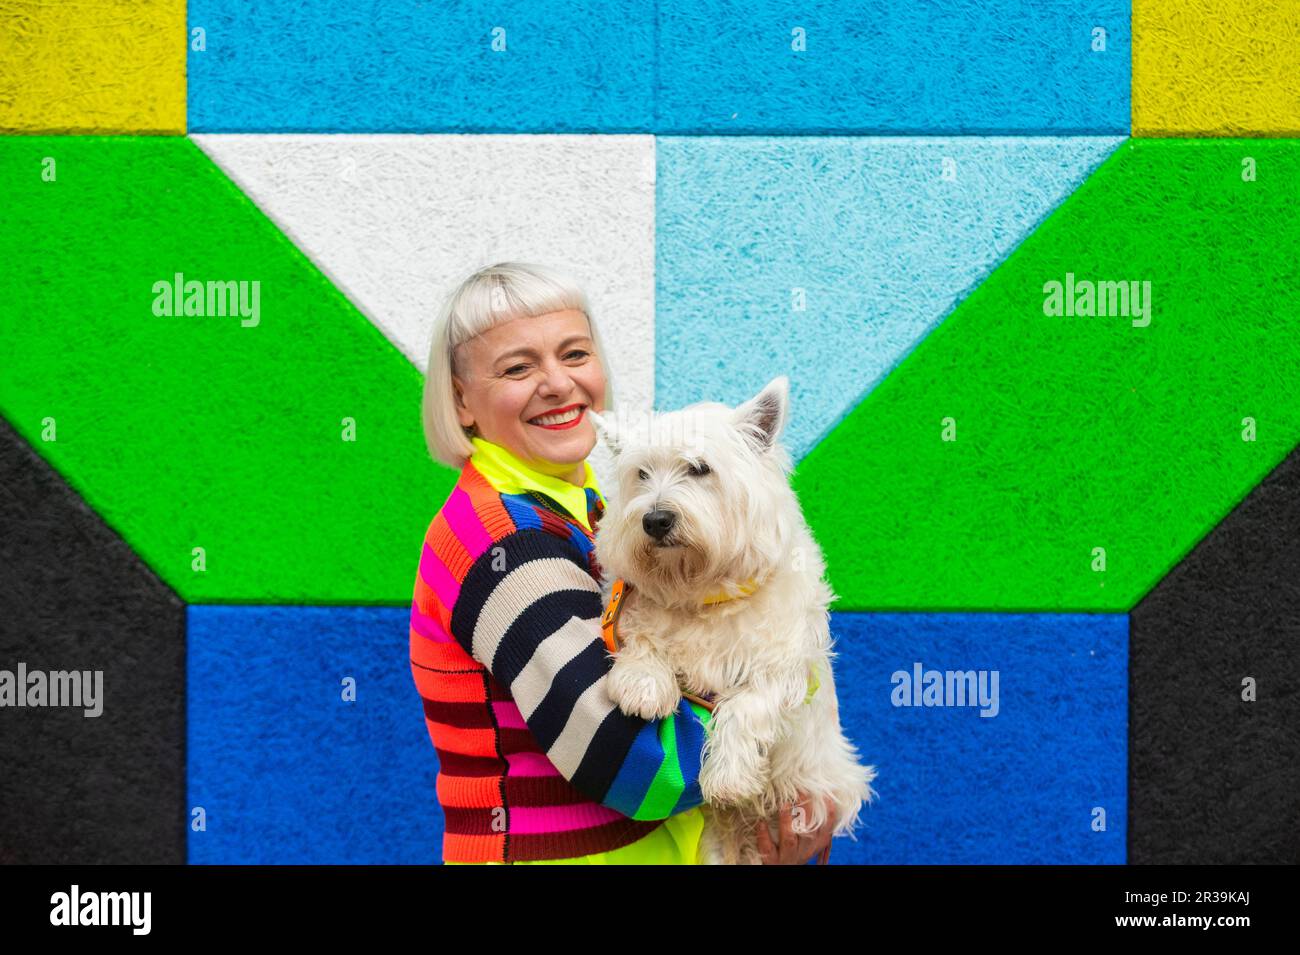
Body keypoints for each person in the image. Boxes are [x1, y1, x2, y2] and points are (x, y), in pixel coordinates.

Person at [410, 261, 836, 864]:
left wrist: (805, 778)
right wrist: (788, 701)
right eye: (517, 367)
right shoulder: (503, 542)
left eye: (575, 354)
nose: (558, 384)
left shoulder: (590, 511)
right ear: (462, 400)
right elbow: (635, 765)